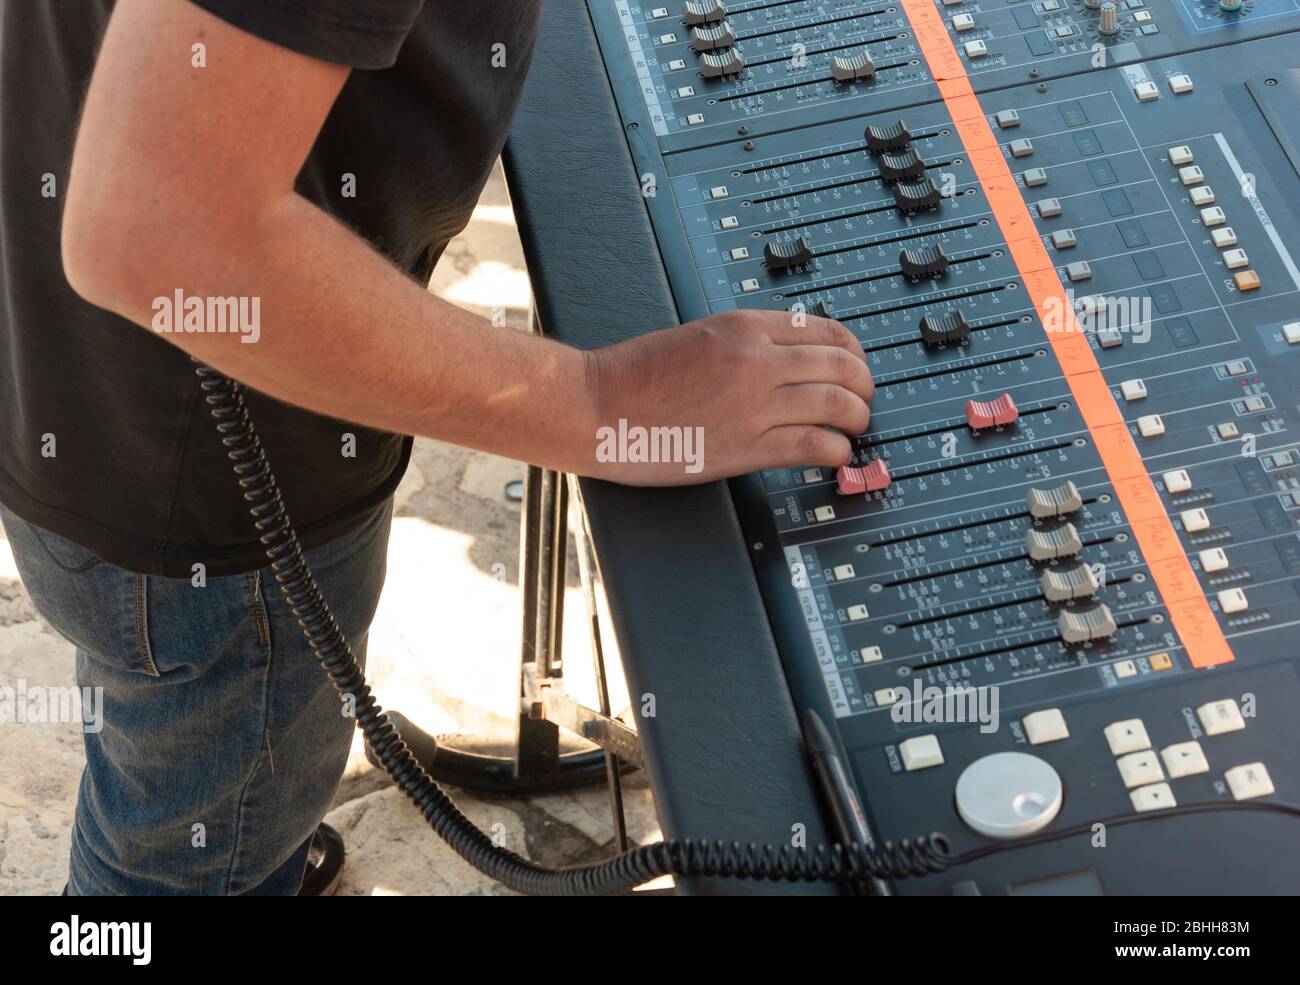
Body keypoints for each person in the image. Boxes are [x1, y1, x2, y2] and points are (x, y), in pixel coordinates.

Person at [0, 0, 874, 894]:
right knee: (186, 841)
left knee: (194, 756)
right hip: (204, 496)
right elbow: (161, 236)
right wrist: (600, 402)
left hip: (91, 395)